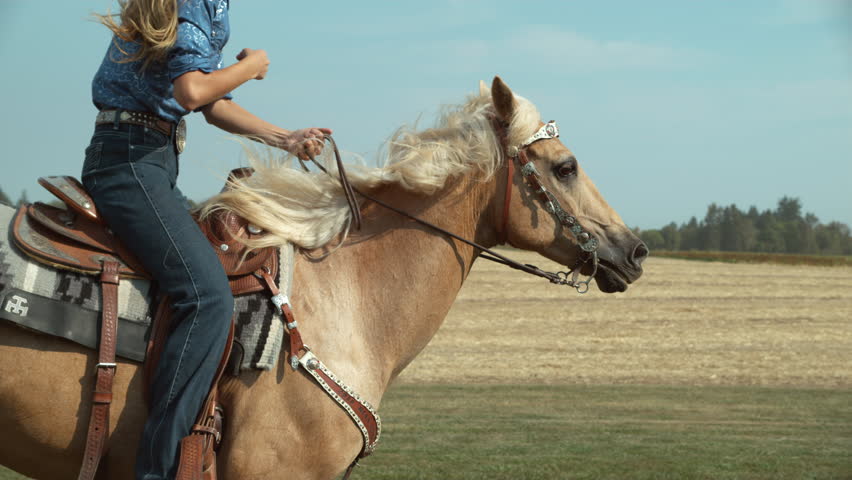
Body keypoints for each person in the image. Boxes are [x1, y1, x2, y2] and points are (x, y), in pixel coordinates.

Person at [82, 0, 330, 478]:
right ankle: (160, 468)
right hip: (132, 163)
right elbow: (193, 90)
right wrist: (248, 66)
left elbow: (211, 105)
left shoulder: (208, 7)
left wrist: (286, 138)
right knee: (209, 296)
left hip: (148, 159)